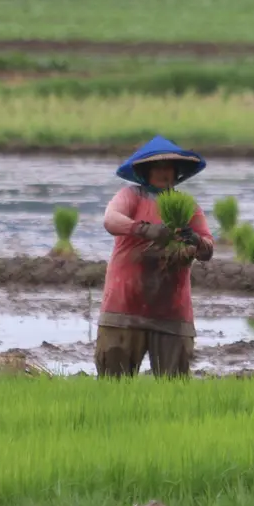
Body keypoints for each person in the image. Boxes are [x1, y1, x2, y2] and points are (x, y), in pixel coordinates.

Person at [96, 135, 215, 378]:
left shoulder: (187, 206)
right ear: (146, 171)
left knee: (174, 386)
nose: (164, 172)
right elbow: (111, 219)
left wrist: (194, 240)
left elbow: (208, 249)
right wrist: (145, 229)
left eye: (169, 167)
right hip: (124, 307)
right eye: (157, 167)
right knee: (113, 384)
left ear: (177, 171)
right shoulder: (131, 196)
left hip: (172, 312)